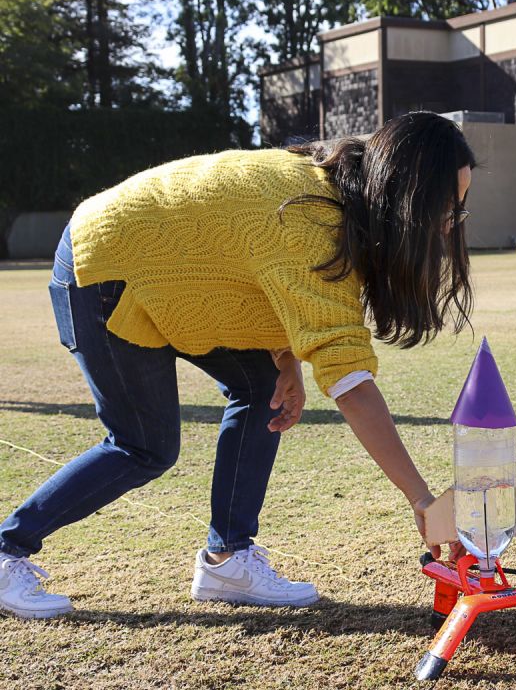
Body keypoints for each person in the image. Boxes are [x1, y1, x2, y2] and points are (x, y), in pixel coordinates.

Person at [0, 112, 475, 620]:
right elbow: (349, 381)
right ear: (404, 193)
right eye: (444, 206)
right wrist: (422, 500)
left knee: (264, 390)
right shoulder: (313, 218)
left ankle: (227, 559)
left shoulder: (335, 198)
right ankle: (7, 551)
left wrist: (284, 360)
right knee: (143, 445)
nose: (451, 223)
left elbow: (248, 272)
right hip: (105, 265)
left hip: (168, 271)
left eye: (460, 208)